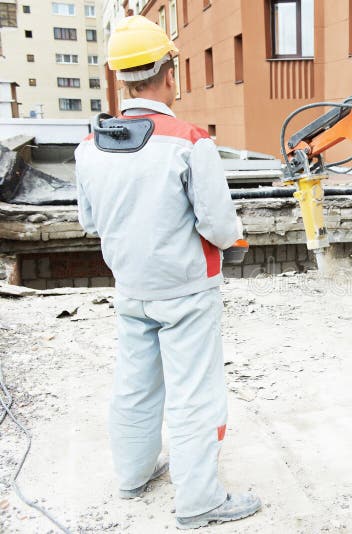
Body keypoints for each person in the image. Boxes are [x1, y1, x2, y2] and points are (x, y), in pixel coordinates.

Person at [74, 15, 261, 530]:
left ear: (121, 78)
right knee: (193, 391)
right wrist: (233, 242)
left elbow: (90, 222)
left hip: (131, 289)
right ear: (168, 74)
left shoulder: (90, 146)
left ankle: (133, 475)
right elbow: (219, 224)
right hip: (186, 289)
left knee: (134, 384)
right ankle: (199, 501)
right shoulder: (188, 140)